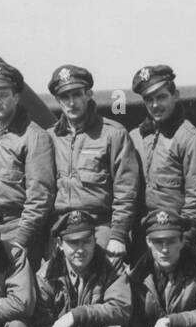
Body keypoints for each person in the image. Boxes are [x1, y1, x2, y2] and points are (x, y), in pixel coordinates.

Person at [47, 64, 140, 269]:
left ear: (88, 94)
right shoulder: (50, 138)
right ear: (57, 101)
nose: (71, 102)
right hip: (61, 228)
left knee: (108, 284)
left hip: (99, 226)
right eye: (64, 97)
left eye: (76, 94)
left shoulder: (112, 134)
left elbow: (126, 190)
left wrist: (118, 235)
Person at [0, 61, 56, 264]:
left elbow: (40, 197)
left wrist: (21, 240)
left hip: (16, 229)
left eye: (3, 95)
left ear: (17, 97)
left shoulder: (34, 137)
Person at [128, 64, 196, 254]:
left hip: (177, 236)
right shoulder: (136, 137)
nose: (155, 105)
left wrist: (185, 239)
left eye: (162, 97)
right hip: (144, 234)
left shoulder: (190, 139)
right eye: (149, 99)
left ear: (176, 95)